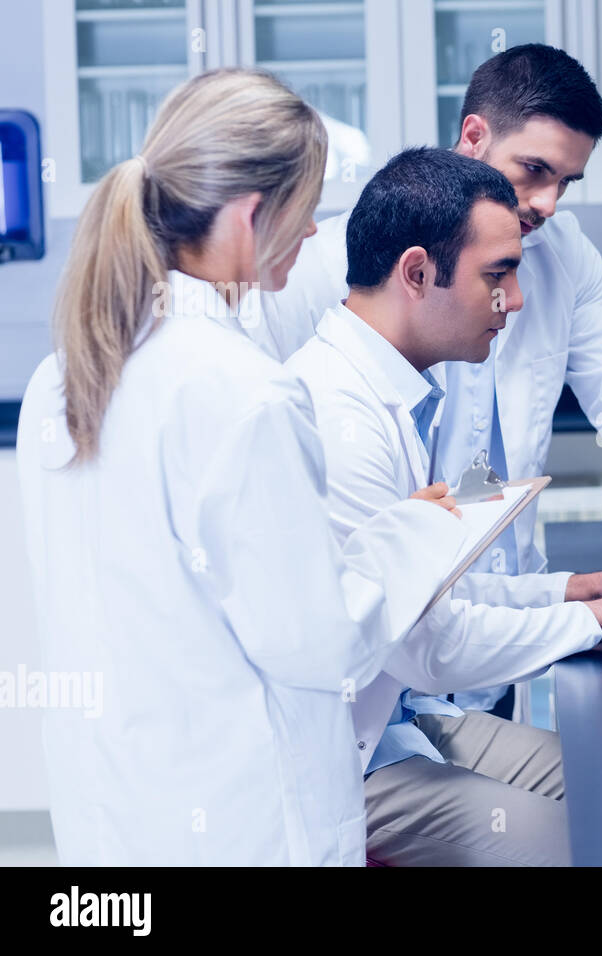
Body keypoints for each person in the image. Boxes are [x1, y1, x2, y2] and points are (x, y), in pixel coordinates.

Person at [15, 69, 468, 866]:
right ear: (254, 215)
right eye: (312, 209)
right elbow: (323, 647)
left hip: (115, 828)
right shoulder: (244, 390)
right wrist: (420, 533)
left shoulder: (62, 378)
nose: (319, 235)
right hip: (247, 828)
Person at [250, 43, 602, 713]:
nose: (547, 203)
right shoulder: (335, 265)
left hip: (499, 628)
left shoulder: (563, 258)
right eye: (533, 170)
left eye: (565, 181)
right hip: (380, 664)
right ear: (474, 135)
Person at [287, 146, 602, 865]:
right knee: (581, 846)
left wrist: (583, 586)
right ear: (418, 274)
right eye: (499, 276)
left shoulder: (391, 394)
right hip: (344, 763)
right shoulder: (343, 420)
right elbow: (428, 648)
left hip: (396, 721)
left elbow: (425, 594)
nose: (515, 302)